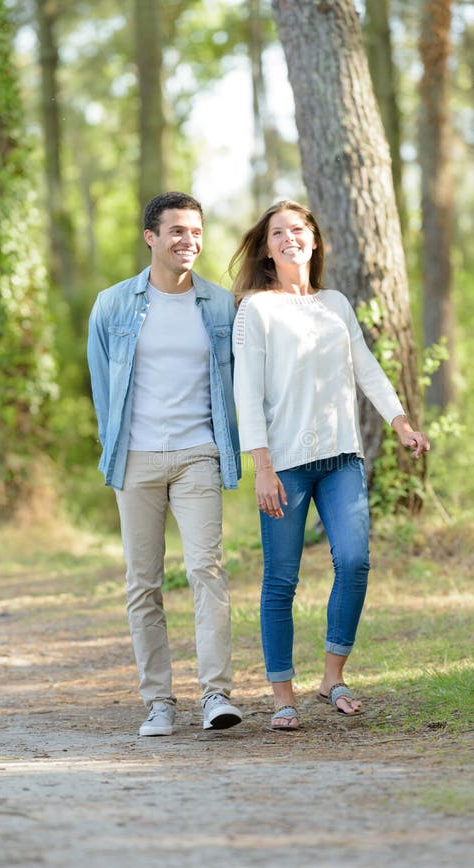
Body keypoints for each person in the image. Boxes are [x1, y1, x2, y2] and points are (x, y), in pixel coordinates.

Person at [230, 200, 430, 731]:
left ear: (314, 240)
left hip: (342, 457)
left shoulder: (336, 303)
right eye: (278, 232)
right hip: (286, 465)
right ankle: (282, 697)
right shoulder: (256, 309)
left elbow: (365, 367)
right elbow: (246, 393)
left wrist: (401, 422)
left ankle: (332, 677)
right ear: (267, 248)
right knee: (280, 580)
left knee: (356, 560)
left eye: (299, 229)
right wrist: (263, 467)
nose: (290, 237)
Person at [87, 191, 243, 737]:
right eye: (177, 230)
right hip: (137, 459)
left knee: (207, 570)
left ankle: (216, 695)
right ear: (150, 237)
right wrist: (117, 448)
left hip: (199, 452)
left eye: (196, 231)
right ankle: (158, 701)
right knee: (143, 582)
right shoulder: (113, 305)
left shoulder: (221, 305)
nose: (189, 240)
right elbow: (103, 389)